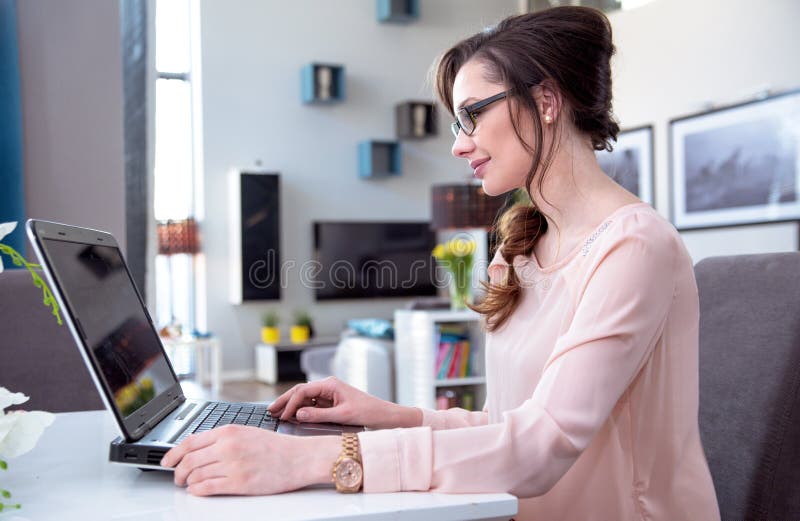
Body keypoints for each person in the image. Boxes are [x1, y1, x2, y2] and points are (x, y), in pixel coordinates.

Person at [161, 6, 721, 519]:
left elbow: (540, 446)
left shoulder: (635, 246)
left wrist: (312, 460)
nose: (459, 144)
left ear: (546, 101)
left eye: (472, 115)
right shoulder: (520, 248)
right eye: (458, 123)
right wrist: (388, 415)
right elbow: (510, 426)